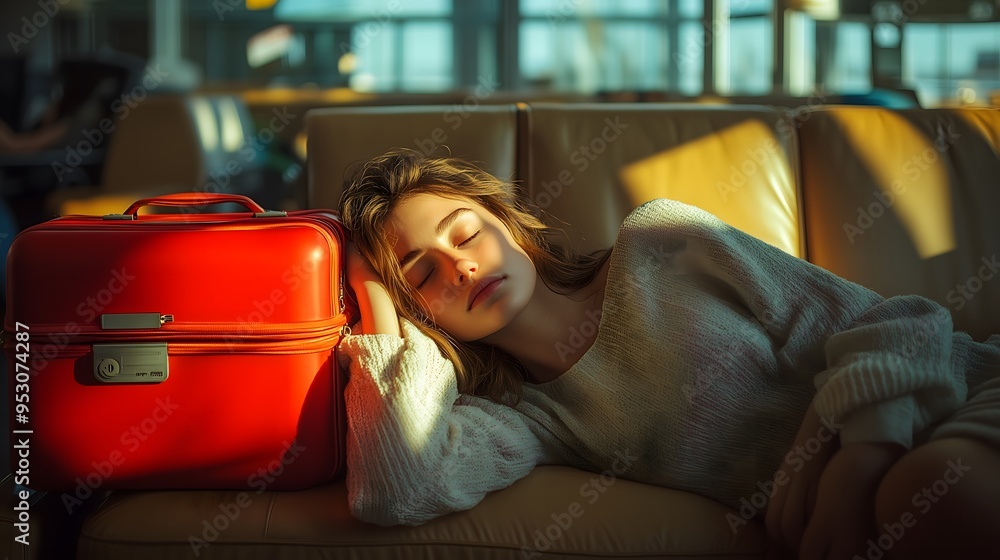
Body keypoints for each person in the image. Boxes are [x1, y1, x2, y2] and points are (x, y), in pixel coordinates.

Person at [335, 148, 1000, 560]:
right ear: (418, 316)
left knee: (930, 492)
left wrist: (855, 455)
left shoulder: (661, 240)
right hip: (885, 517)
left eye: (467, 232)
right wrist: (375, 304)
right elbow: (398, 490)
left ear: (507, 224)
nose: (457, 267)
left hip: (966, 397)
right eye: (419, 276)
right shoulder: (530, 419)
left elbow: (903, 322)